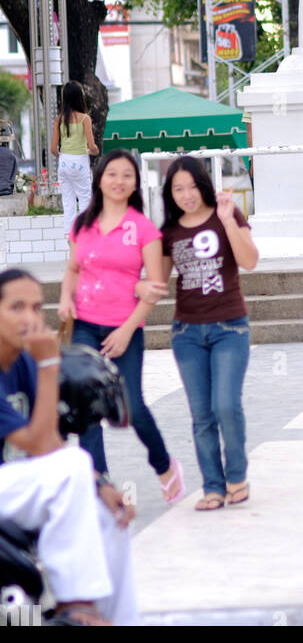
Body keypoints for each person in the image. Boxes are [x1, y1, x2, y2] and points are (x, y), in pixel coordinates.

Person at [0, 268, 137, 625]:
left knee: (111, 512)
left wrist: (100, 482)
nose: (30, 318)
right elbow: (37, 443)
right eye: (17, 308)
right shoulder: (34, 361)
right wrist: (49, 364)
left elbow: (54, 439)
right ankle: (75, 604)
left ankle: (118, 620)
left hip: (15, 484)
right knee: (72, 464)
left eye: (36, 307)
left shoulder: (23, 360)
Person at [57, 149, 183, 504]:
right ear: (99, 179)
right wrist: (66, 298)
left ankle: (165, 466)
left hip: (125, 328)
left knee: (132, 406)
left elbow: (155, 285)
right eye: (112, 173)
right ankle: (100, 486)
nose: (119, 181)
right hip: (83, 325)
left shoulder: (143, 228)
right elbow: (72, 270)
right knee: (86, 408)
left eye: (127, 175)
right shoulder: (82, 224)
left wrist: (127, 329)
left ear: (135, 183)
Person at [151, 157, 260, 510]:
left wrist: (228, 219)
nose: (186, 195)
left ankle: (237, 477)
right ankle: (212, 485)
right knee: (201, 414)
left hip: (230, 326)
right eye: (178, 189)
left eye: (192, 186)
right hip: (187, 332)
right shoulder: (170, 231)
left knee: (226, 404)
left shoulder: (226, 214)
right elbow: (158, 280)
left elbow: (250, 260)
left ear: (204, 184)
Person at [50, 80, 99, 236]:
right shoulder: (85, 119)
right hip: (80, 162)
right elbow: (92, 147)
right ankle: (85, 233)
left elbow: (53, 149)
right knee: (85, 199)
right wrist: (94, 150)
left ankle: (69, 235)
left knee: (68, 201)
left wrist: (64, 156)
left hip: (64, 162)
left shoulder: (59, 119)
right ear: (80, 97)